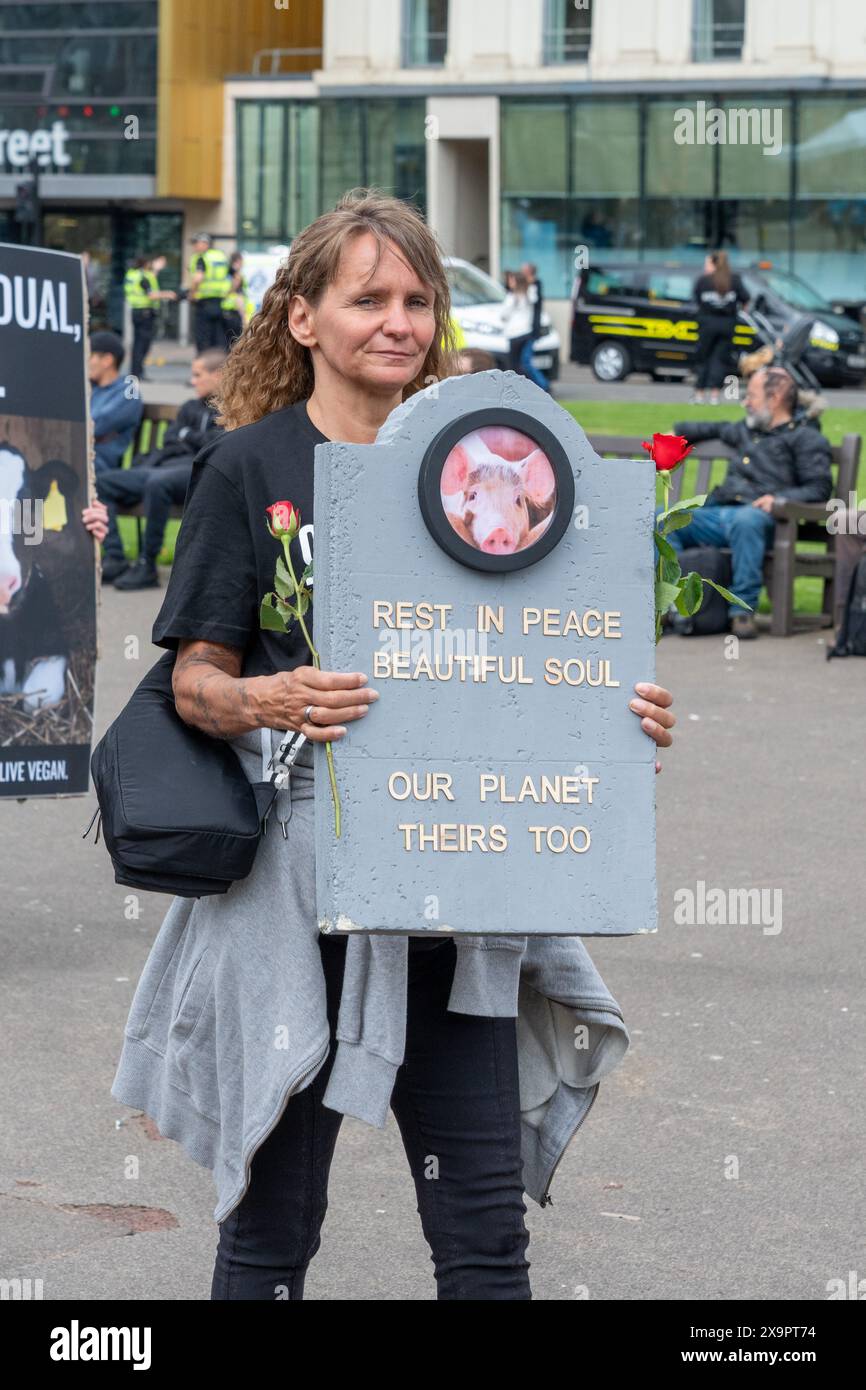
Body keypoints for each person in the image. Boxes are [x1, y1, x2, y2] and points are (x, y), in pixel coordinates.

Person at [109, 189, 676, 1302]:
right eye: (367, 297)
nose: (398, 321)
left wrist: (616, 717)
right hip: (298, 907)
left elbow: (542, 652)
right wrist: (274, 697)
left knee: (483, 1241)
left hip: (456, 907)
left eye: (417, 299)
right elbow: (192, 682)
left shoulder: (492, 462)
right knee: (271, 1234)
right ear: (303, 319)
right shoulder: (249, 467)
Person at [671, 365, 833, 639]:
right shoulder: (748, 430)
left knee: (747, 521)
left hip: (763, 520)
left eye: (752, 395)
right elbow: (718, 428)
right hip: (718, 513)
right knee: (664, 520)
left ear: (775, 397)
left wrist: (780, 499)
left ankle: (741, 611)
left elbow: (819, 487)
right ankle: (669, 603)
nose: (745, 401)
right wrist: (676, 432)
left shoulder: (806, 438)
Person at [96, 348, 227, 590]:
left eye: (198, 375)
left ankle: (147, 565)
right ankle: (115, 556)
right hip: (163, 467)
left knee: (158, 485)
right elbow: (170, 438)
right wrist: (192, 437)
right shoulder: (189, 407)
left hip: (197, 472)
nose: (193, 381)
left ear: (218, 375)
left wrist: (186, 435)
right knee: (101, 482)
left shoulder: (231, 409)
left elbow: (216, 445)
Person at [88, 331, 144, 580]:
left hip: (105, 461)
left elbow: (99, 423)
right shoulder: (88, 387)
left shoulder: (130, 386)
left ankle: (114, 556)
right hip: (87, 454)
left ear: (107, 359)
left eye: (90, 356)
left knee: (90, 474)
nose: (86, 362)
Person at [690, 250, 749, 405]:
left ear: (713, 264)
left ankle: (699, 394)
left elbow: (696, 301)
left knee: (703, 358)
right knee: (720, 360)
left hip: (707, 324)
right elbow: (746, 299)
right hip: (727, 324)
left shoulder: (703, 281)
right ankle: (715, 395)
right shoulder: (734, 280)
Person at [124, 254, 177, 381]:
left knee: (138, 343)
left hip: (136, 311)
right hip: (145, 313)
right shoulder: (143, 277)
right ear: (146, 263)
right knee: (143, 344)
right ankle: (138, 372)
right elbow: (151, 294)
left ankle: (136, 371)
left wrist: (156, 269)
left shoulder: (131, 274)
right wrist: (167, 294)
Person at [187, 232, 233, 352]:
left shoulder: (202, 258)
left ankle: (203, 364)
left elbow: (198, 278)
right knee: (218, 337)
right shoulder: (221, 256)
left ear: (205, 244)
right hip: (220, 302)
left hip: (204, 302)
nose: (195, 247)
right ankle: (217, 365)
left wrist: (192, 294)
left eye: (196, 243)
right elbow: (235, 277)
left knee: (203, 337)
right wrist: (227, 293)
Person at [519, 260, 550, 392]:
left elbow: (533, 301)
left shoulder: (535, 285)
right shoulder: (525, 286)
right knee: (523, 360)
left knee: (526, 360)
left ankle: (543, 385)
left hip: (530, 330)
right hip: (522, 330)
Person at [499, 269, 535, 374]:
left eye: (512, 280)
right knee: (523, 362)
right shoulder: (529, 295)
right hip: (526, 332)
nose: (509, 283)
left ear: (517, 282)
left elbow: (504, 315)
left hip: (514, 333)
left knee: (513, 365)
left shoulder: (511, 297)